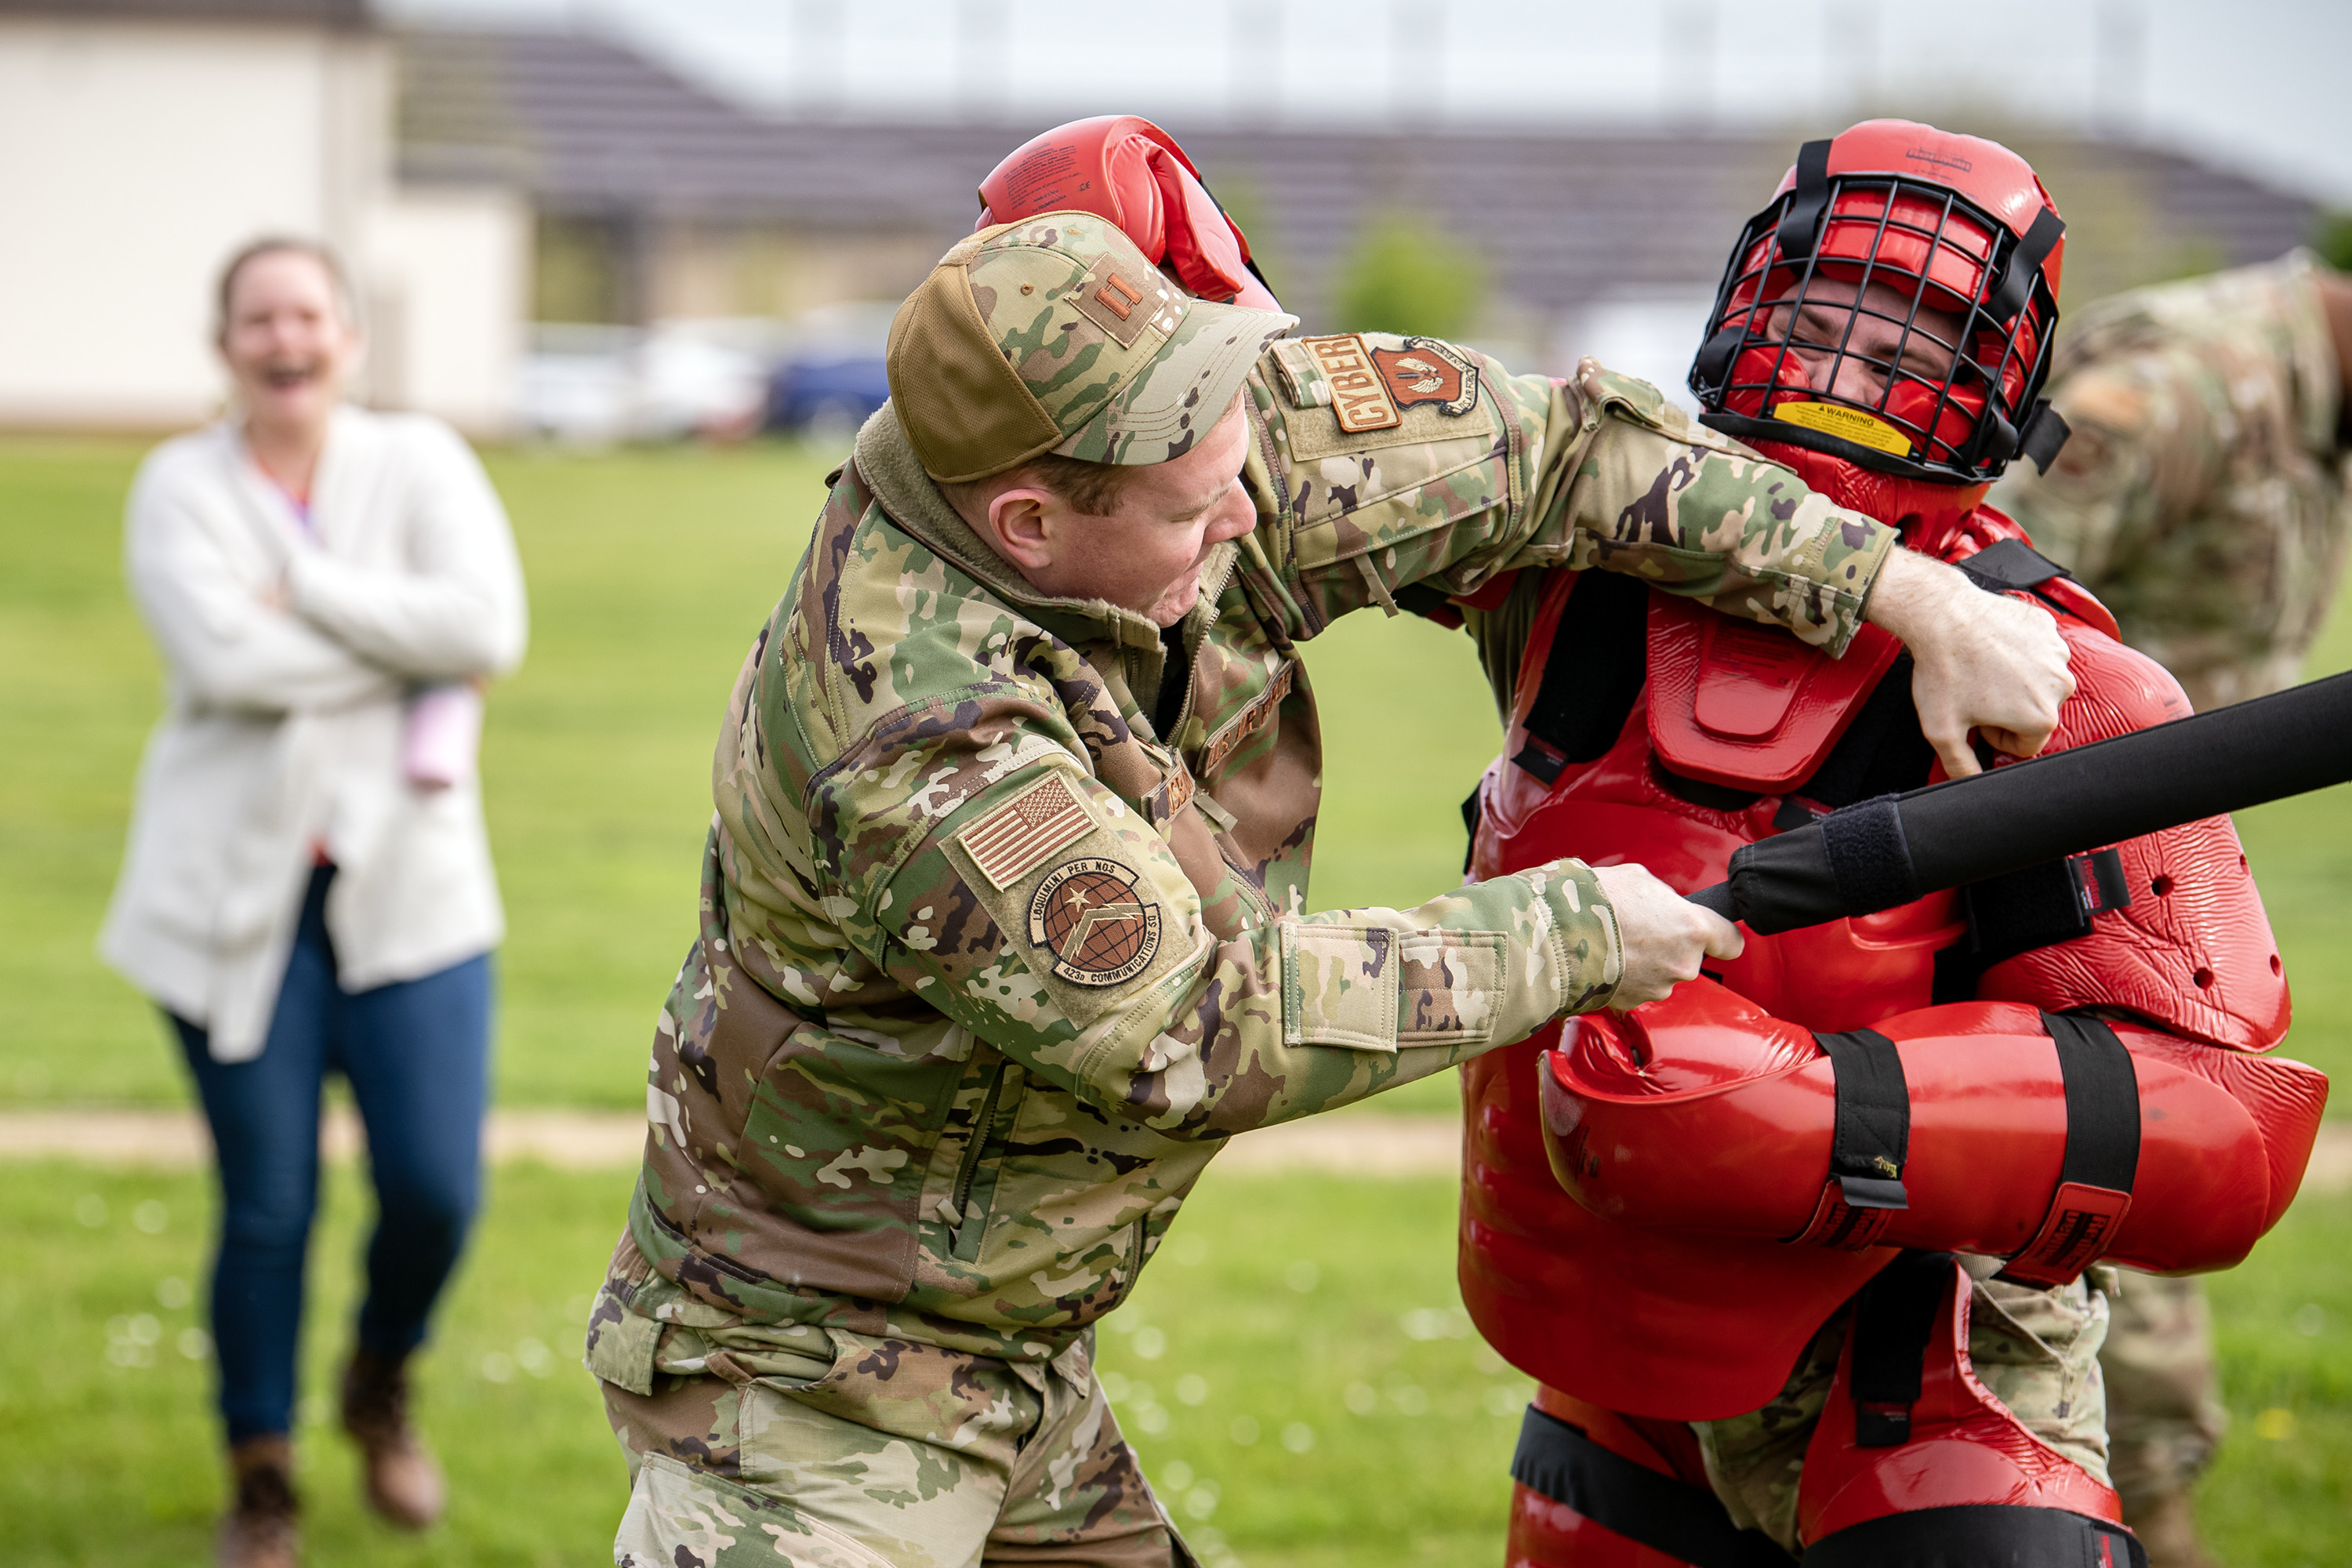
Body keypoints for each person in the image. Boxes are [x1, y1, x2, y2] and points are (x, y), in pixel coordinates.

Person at [579, 140, 2083, 1562]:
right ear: (1030, 525)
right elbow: (1194, 1024)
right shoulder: (918, 729)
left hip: (1014, 1352)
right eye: (1194, 511)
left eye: (1242, 460)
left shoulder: (1184, 421)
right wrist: (1574, 935)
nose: (1249, 516)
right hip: (813, 1382)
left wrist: (1904, 597)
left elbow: (1561, 454)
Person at [1456, 121, 2325, 1567]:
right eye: (1814, 330)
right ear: (1743, 316)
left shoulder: (2067, 690)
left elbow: (2233, 1130)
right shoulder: (1567, 572)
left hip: (1929, 1382)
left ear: (1993, 391)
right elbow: (1329, 483)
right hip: (1612, 1369)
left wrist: (1818, 1117)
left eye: (1904, 352)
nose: (1841, 384)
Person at [99, 238, 528, 1568]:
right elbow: (225, 664)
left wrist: (311, 592)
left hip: (412, 898)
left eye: (306, 315)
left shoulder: (422, 463)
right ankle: (262, 1479)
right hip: (229, 907)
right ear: (223, 343)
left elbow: (489, 632)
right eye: (257, 319)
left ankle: (379, 1378)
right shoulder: (180, 485)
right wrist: (409, 647)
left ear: (348, 336)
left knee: (435, 1192)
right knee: (268, 1207)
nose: (284, 339)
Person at [1986, 245, 2352, 1567]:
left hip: (2150, 873)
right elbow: (1978, 572)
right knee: (2095, 1225)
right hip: (2055, 880)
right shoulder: (2193, 384)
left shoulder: (2303, 401)